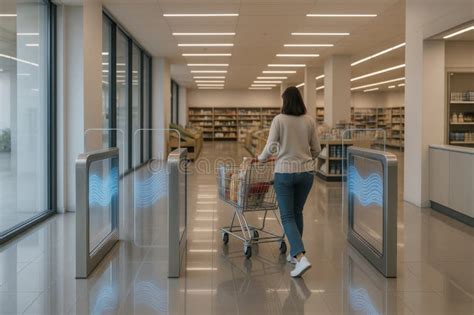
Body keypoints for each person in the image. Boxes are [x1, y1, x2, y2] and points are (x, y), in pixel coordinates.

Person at [258, 86, 321, 277]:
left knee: (286, 216)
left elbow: (271, 146)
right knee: (297, 212)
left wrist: (261, 158)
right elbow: (317, 149)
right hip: (306, 173)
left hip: (284, 173)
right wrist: (303, 156)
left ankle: (301, 258)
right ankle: (295, 254)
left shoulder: (279, 120)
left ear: (285, 101)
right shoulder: (309, 121)